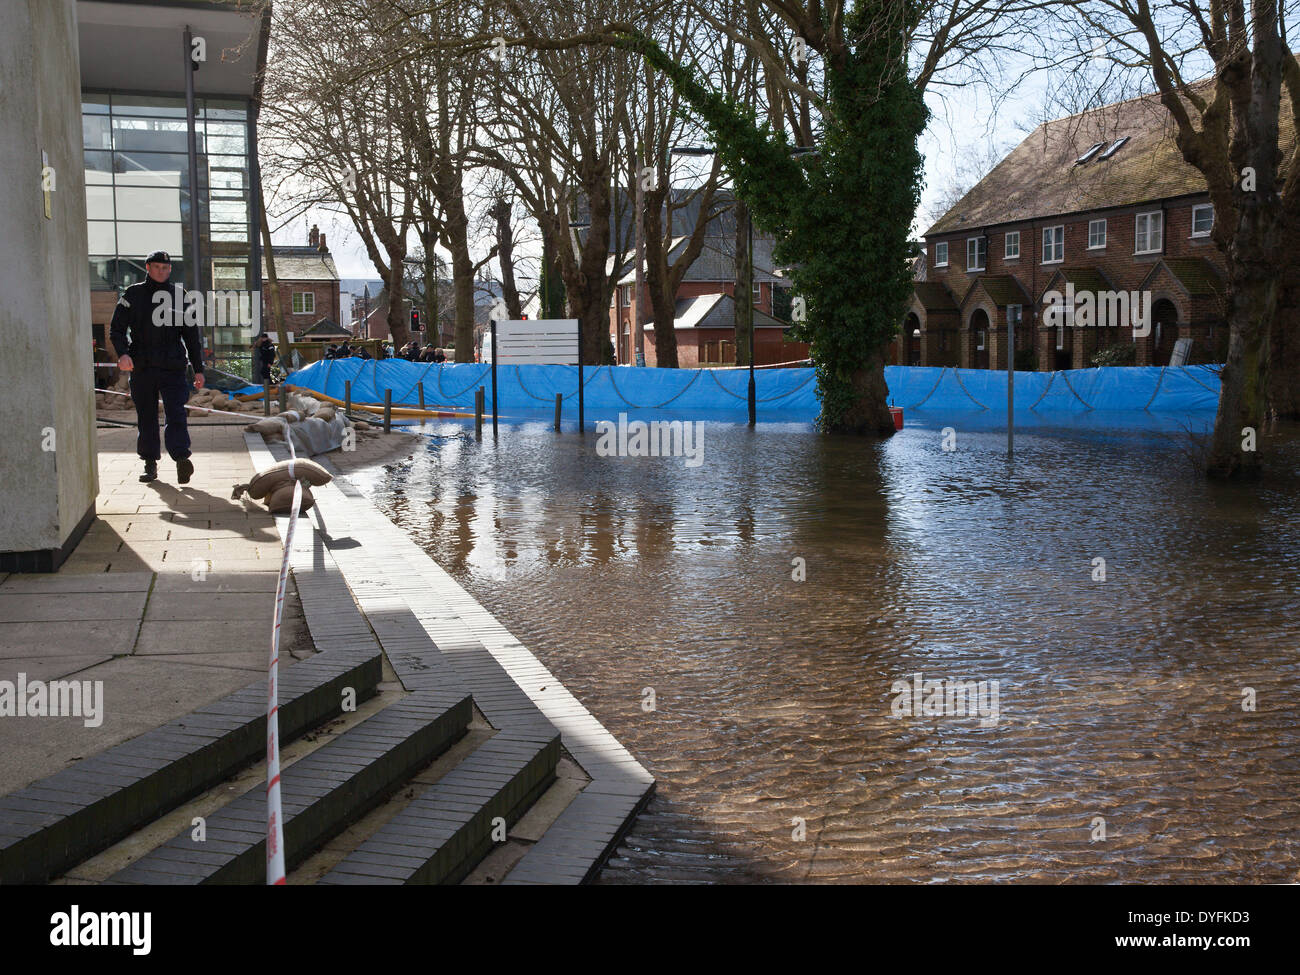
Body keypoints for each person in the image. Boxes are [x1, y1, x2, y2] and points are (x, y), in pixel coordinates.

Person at [109, 250, 204, 484]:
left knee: (176, 413)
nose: (161, 271)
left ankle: (182, 459)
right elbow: (116, 329)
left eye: (165, 267)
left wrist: (199, 368)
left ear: (170, 270)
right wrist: (123, 354)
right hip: (142, 367)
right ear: (148, 268)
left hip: (172, 367)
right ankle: (149, 464)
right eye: (157, 267)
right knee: (147, 417)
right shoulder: (133, 294)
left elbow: (192, 337)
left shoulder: (181, 297)